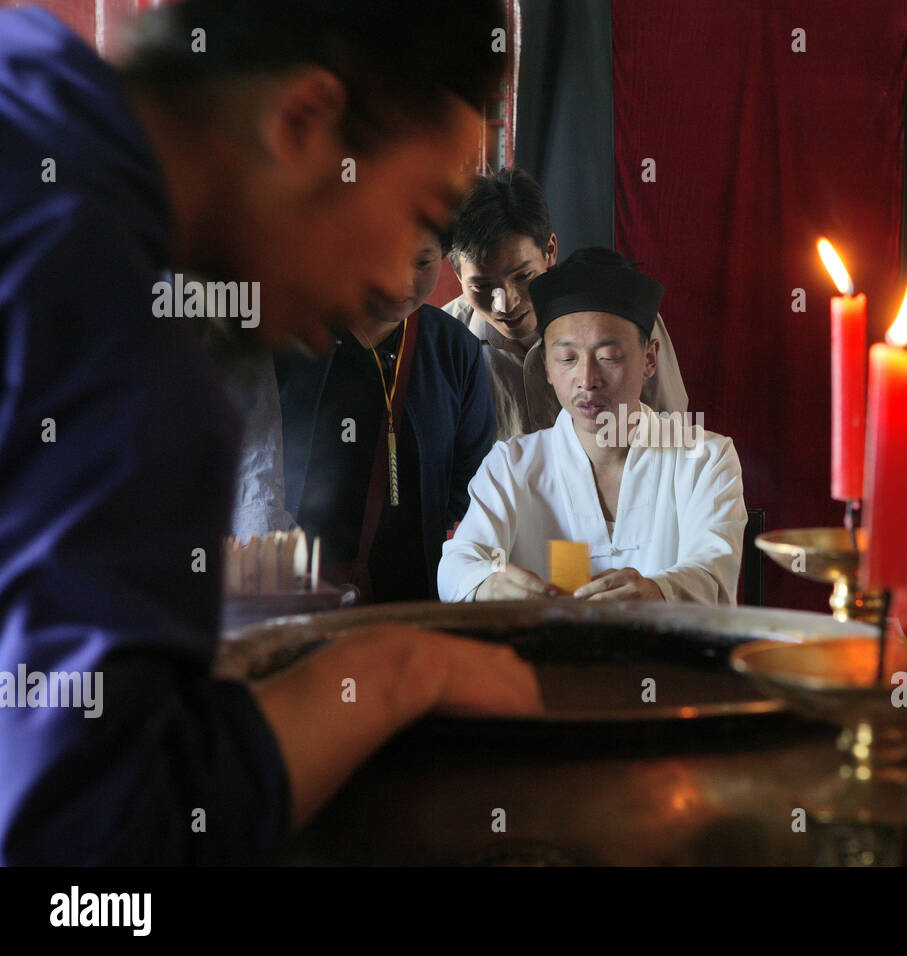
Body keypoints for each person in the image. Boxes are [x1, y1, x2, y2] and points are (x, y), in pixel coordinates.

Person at [0, 1, 539, 865]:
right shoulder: (124, 338)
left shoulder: (27, 76)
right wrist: (401, 672)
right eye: (420, 209)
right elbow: (88, 849)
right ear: (303, 124)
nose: (394, 275)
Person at [439, 249, 746, 605]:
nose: (586, 380)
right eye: (567, 358)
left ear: (649, 358)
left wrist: (659, 591)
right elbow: (458, 564)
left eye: (608, 356)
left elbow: (713, 574)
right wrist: (489, 583)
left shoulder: (705, 459)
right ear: (547, 368)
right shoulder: (512, 464)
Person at [277, 228, 496, 602]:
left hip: (414, 587)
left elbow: (472, 470)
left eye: (423, 262)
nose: (401, 282)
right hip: (299, 587)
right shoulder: (292, 339)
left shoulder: (454, 348)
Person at [443, 168, 690, 440]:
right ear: (458, 275)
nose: (504, 304)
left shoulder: (622, 313)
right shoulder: (443, 344)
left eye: (523, 276)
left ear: (549, 251)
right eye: (482, 287)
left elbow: (670, 435)